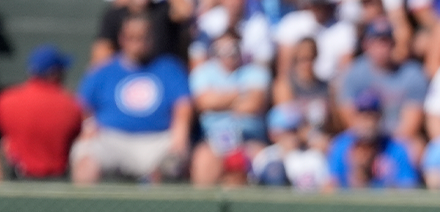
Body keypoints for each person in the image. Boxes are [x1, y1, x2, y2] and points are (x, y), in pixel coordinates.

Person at [72, 15, 193, 184]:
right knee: (85, 157)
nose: (138, 43)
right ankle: (84, 209)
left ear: (152, 37)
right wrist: (89, 127)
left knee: (172, 163)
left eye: (143, 37)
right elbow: (83, 106)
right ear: (122, 39)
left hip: (158, 140)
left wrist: (179, 137)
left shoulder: (169, 68)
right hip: (112, 139)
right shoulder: (103, 70)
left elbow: (183, 107)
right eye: (132, 38)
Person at [190, 31, 273, 186]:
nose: (228, 53)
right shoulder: (203, 72)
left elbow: (254, 104)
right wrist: (239, 94)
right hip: (212, 141)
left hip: (249, 140)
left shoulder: (256, 72)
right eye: (222, 49)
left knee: (270, 166)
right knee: (203, 161)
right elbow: (204, 103)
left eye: (233, 48)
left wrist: (218, 101)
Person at [338, 19, 429, 154]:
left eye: (386, 41)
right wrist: (370, 136)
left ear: (393, 44)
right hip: (364, 133)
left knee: (416, 147)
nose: (382, 47)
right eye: (376, 41)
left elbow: (411, 123)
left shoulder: (412, 74)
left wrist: (386, 144)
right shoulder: (354, 73)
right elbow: (349, 116)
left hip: (396, 138)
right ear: (365, 44)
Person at [0, 46, 82, 180]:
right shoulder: (71, 104)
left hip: (16, 183)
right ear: (55, 73)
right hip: (57, 184)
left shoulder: (7, 100)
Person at [328, 89, 422, 187]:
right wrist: (357, 172)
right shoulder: (341, 146)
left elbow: (408, 187)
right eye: (362, 114)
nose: (367, 121)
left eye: (372, 115)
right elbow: (330, 186)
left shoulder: (396, 148)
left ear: (380, 117)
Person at [251, 103, 335, 190]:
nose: (292, 136)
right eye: (287, 130)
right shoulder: (265, 157)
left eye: (295, 130)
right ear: (273, 134)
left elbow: (327, 188)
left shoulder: (314, 156)